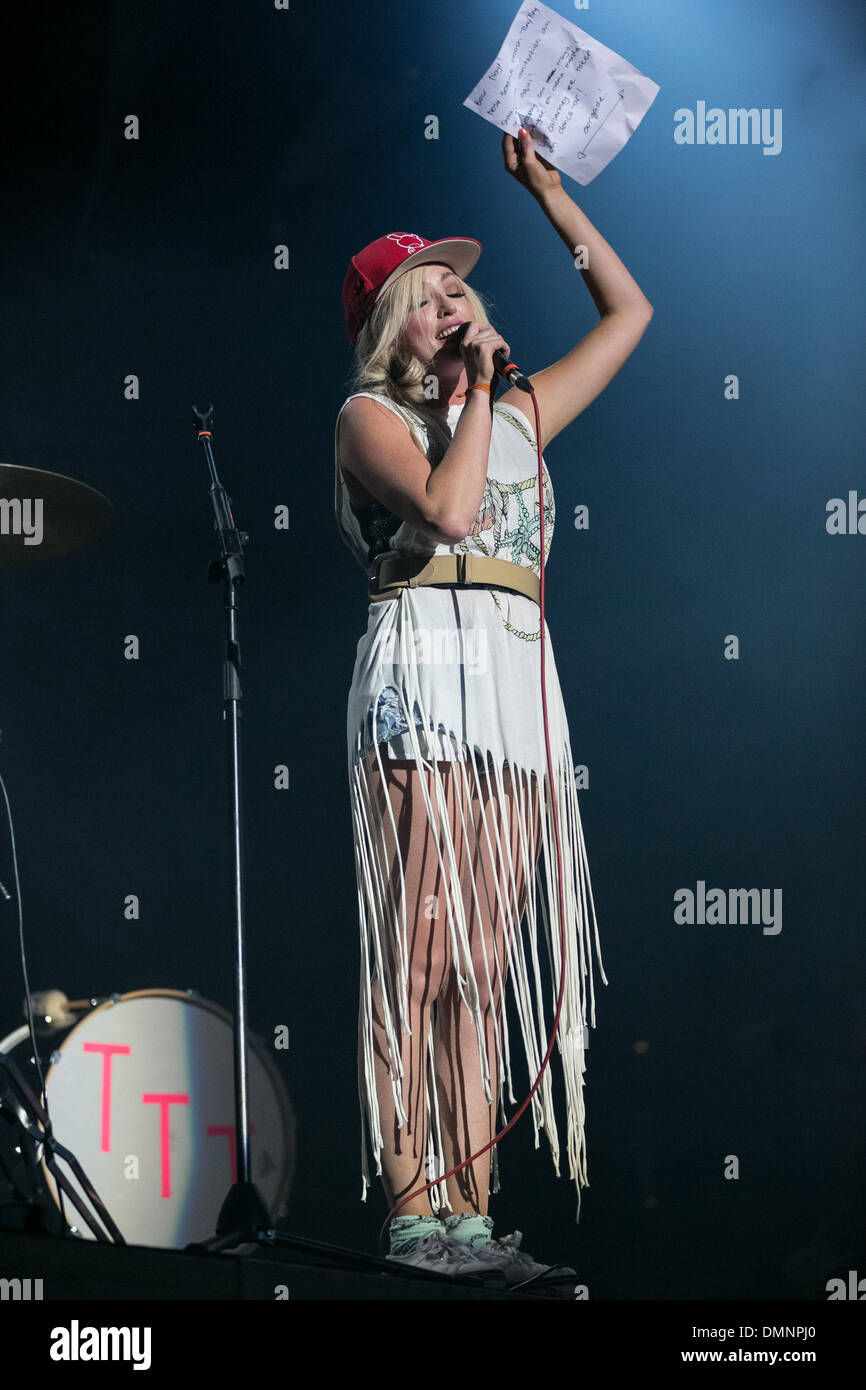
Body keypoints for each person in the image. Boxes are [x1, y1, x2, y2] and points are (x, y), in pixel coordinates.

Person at [334, 128, 653, 1284]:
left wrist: (551, 197)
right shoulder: (374, 416)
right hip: (425, 672)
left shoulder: (517, 412)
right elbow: (452, 515)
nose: (454, 295)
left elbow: (627, 316)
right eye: (428, 293)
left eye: (461, 282)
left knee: (482, 959)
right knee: (417, 954)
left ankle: (472, 1203)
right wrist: (474, 386)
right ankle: (412, 1202)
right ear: (387, 327)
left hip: (515, 685)